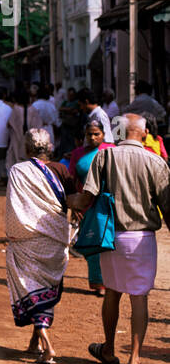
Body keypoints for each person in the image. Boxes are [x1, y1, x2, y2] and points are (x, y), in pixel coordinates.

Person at [71, 113, 170, 364]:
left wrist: (64, 201)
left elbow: (86, 197)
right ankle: (135, 361)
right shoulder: (156, 162)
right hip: (142, 239)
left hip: (111, 235)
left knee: (112, 292)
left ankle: (109, 349)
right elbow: (167, 208)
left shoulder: (105, 157)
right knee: (139, 298)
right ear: (145, 132)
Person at [5, 129, 74, 364]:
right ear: (50, 148)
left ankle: (47, 344)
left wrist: (15, 235)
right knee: (47, 289)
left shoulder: (17, 171)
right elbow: (74, 200)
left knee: (31, 288)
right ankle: (35, 343)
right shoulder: (62, 170)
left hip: (26, 240)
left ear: (26, 149)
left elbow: (15, 210)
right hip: (54, 239)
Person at [65, 120, 112, 294]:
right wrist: (74, 206)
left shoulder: (111, 151)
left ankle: (106, 283)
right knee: (91, 245)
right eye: (89, 134)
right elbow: (71, 180)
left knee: (105, 243)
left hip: (106, 205)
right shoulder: (78, 154)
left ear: (103, 135)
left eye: (96, 134)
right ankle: (98, 282)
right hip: (85, 205)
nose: (92, 137)